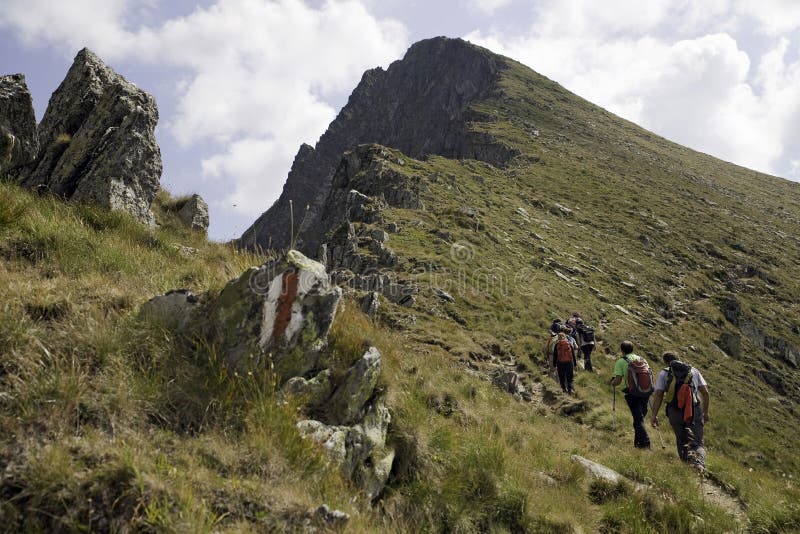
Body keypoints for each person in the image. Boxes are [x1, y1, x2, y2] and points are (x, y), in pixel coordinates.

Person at [650, 352, 710, 470]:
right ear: (679, 359)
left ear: (666, 362)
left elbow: (659, 395)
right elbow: (705, 393)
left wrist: (654, 415)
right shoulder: (693, 371)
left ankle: (686, 466)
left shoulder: (664, 373)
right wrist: (705, 412)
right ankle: (698, 465)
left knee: (681, 440)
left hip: (674, 410)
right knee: (696, 441)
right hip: (694, 410)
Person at [610, 340, 651, 449]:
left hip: (632, 393)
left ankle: (646, 444)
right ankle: (638, 445)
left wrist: (612, 383)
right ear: (632, 349)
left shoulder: (621, 361)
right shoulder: (642, 359)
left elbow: (618, 381)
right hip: (645, 391)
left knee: (638, 419)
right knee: (639, 418)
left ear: (622, 350)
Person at [552, 329, 576, 394]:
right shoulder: (569, 343)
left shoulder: (557, 345)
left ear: (558, 337)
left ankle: (564, 390)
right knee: (570, 378)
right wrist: (575, 364)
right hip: (569, 362)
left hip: (560, 363)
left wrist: (554, 365)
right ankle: (570, 390)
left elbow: (555, 356)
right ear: (565, 336)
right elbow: (573, 354)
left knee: (561, 377)